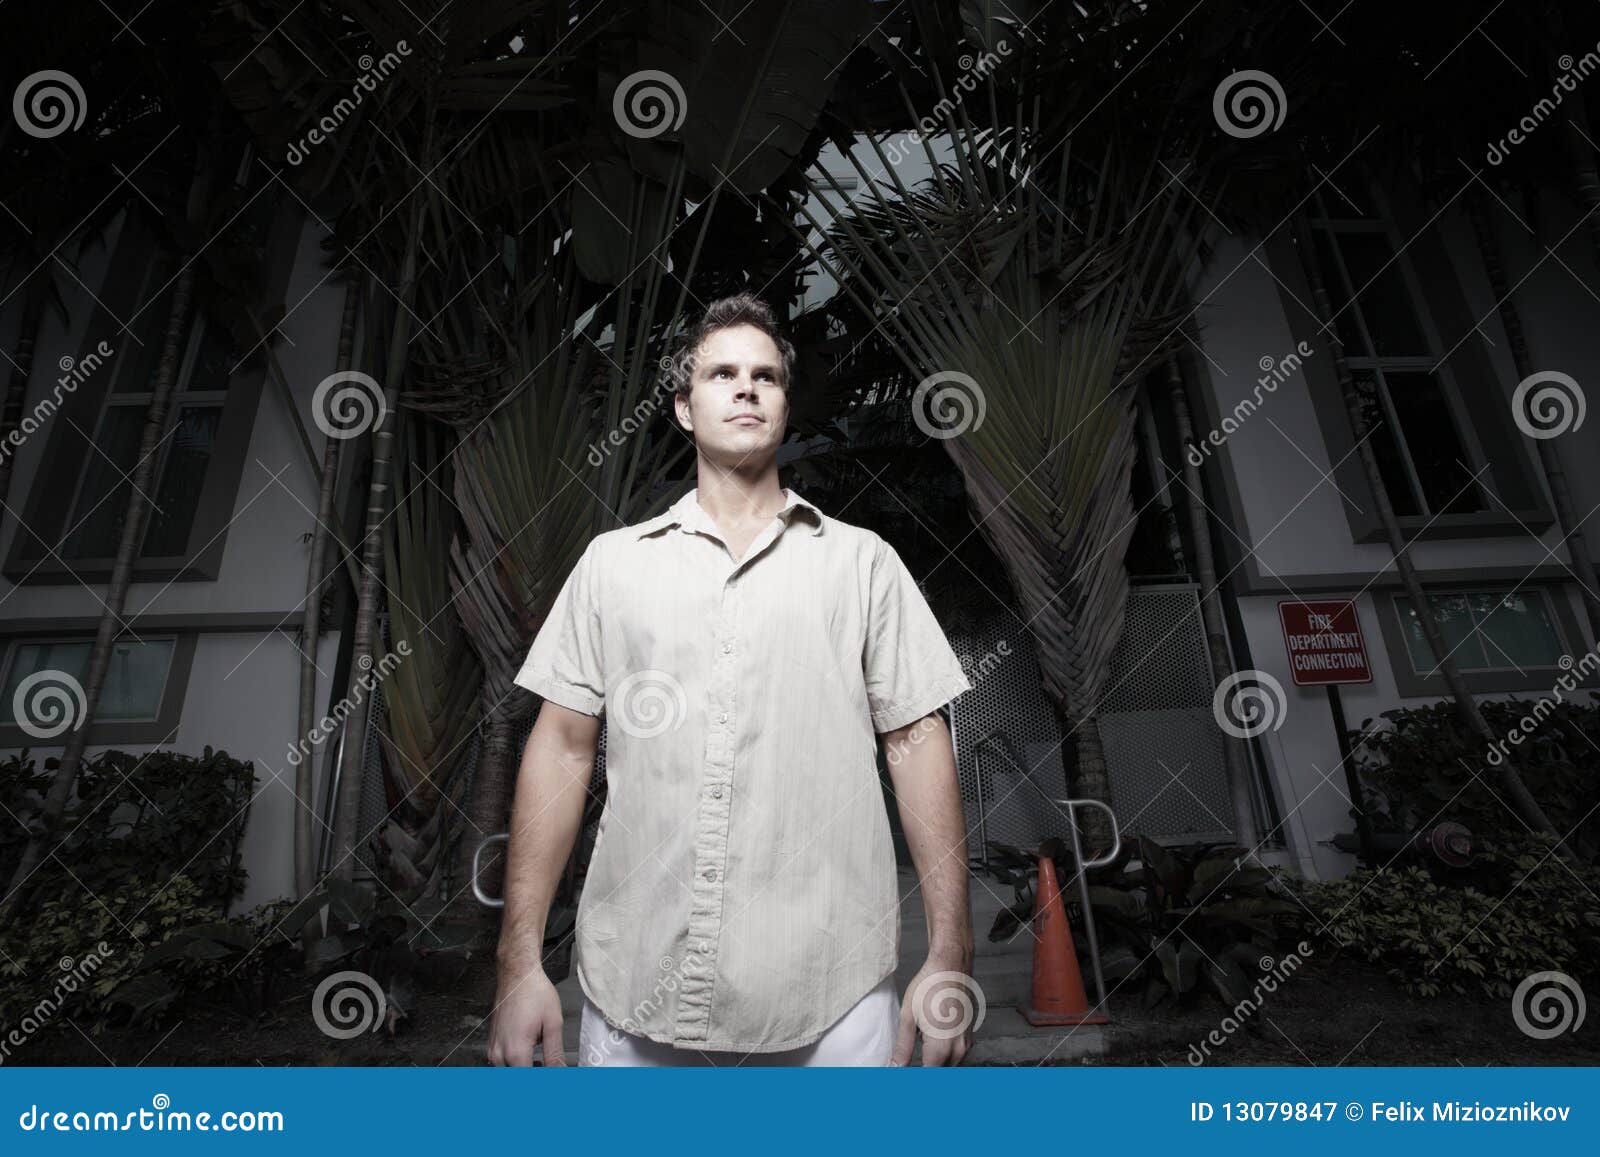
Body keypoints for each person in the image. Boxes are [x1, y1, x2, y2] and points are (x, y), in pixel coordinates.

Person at [486, 293, 976, 1067]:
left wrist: (949, 953)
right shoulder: (612, 565)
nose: (746, 388)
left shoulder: (863, 564)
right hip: (635, 986)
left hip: (834, 993)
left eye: (766, 376)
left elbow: (916, 743)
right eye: (721, 373)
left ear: (783, 403)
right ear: (684, 407)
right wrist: (519, 968)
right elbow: (562, 749)